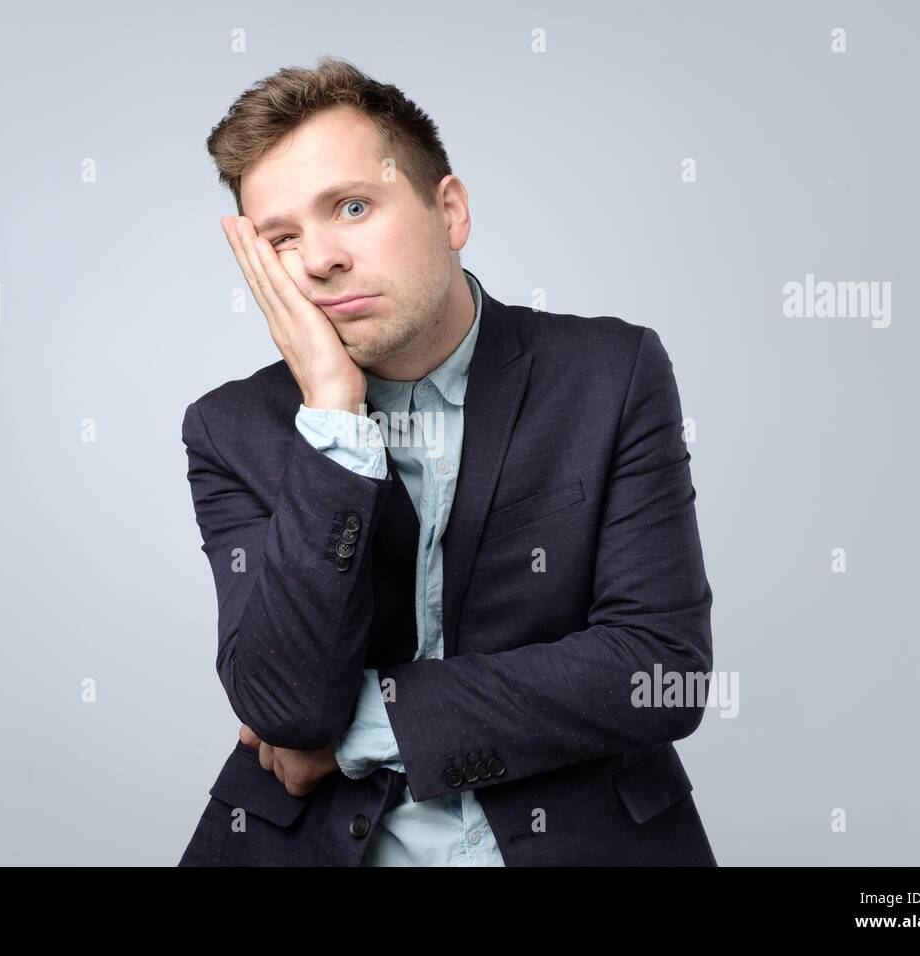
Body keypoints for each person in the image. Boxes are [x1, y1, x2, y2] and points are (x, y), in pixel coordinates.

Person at [178, 56, 717, 866]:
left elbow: (657, 667)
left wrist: (361, 728)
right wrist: (333, 416)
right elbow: (285, 709)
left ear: (450, 210)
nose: (319, 260)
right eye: (283, 239)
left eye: (352, 206)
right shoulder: (232, 429)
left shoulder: (610, 373)